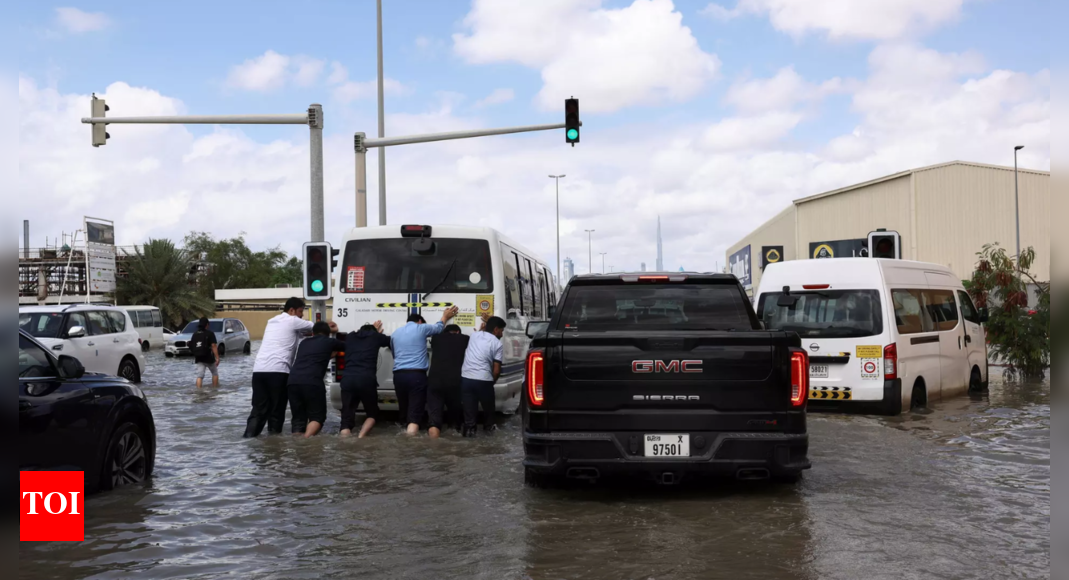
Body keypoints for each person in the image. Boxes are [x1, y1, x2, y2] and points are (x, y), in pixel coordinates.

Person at [244, 297, 337, 437]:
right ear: (292, 310)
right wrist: (332, 328)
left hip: (258, 371)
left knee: (258, 409)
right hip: (278, 372)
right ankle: (274, 444)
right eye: (300, 311)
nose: (302, 315)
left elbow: (301, 334)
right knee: (277, 410)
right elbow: (318, 329)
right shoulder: (292, 320)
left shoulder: (272, 321)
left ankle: (248, 438)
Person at [390, 306, 459, 435]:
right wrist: (445, 316)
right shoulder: (421, 328)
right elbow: (438, 328)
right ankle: (410, 444)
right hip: (416, 375)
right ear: (420, 321)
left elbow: (394, 354)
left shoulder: (395, 333)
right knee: (415, 412)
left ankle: (403, 432)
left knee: (403, 409)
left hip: (398, 375)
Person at [287, 321, 345, 438]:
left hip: (292, 382)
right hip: (312, 382)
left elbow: (314, 357)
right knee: (317, 417)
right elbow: (349, 346)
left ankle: (297, 443)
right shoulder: (329, 341)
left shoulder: (304, 343)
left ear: (313, 333)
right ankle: (305, 442)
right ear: (328, 334)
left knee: (298, 418)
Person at [340, 321, 390, 438]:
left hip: (347, 379)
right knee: (372, 413)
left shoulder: (350, 337)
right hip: (366, 380)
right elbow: (391, 341)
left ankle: (344, 439)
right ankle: (361, 436)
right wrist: (376, 334)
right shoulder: (375, 337)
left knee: (346, 417)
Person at [460, 316, 506, 437]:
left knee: (469, 417)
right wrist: (491, 382)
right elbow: (496, 370)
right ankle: (489, 440)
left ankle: (469, 438)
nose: (502, 334)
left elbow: (482, 330)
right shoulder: (498, 344)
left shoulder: (474, 336)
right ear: (496, 329)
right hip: (484, 380)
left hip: (466, 379)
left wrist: (487, 323)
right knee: (489, 415)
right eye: (501, 330)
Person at [427, 324, 469, 439]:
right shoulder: (464, 339)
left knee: (434, 418)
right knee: (455, 417)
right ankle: (453, 439)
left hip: (435, 382)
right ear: (458, 332)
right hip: (454, 383)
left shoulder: (435, 338)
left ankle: (433, 444)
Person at [190, 317, 220, 389]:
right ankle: (214, 390)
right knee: (214, 373)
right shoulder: (210, 333)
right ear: (207, 325)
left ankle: (198, 391)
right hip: (208, 357)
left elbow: (192, 345)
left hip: (198, 357)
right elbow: (213, 345)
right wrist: (217, 357)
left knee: (200, 375)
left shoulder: (195, 334)